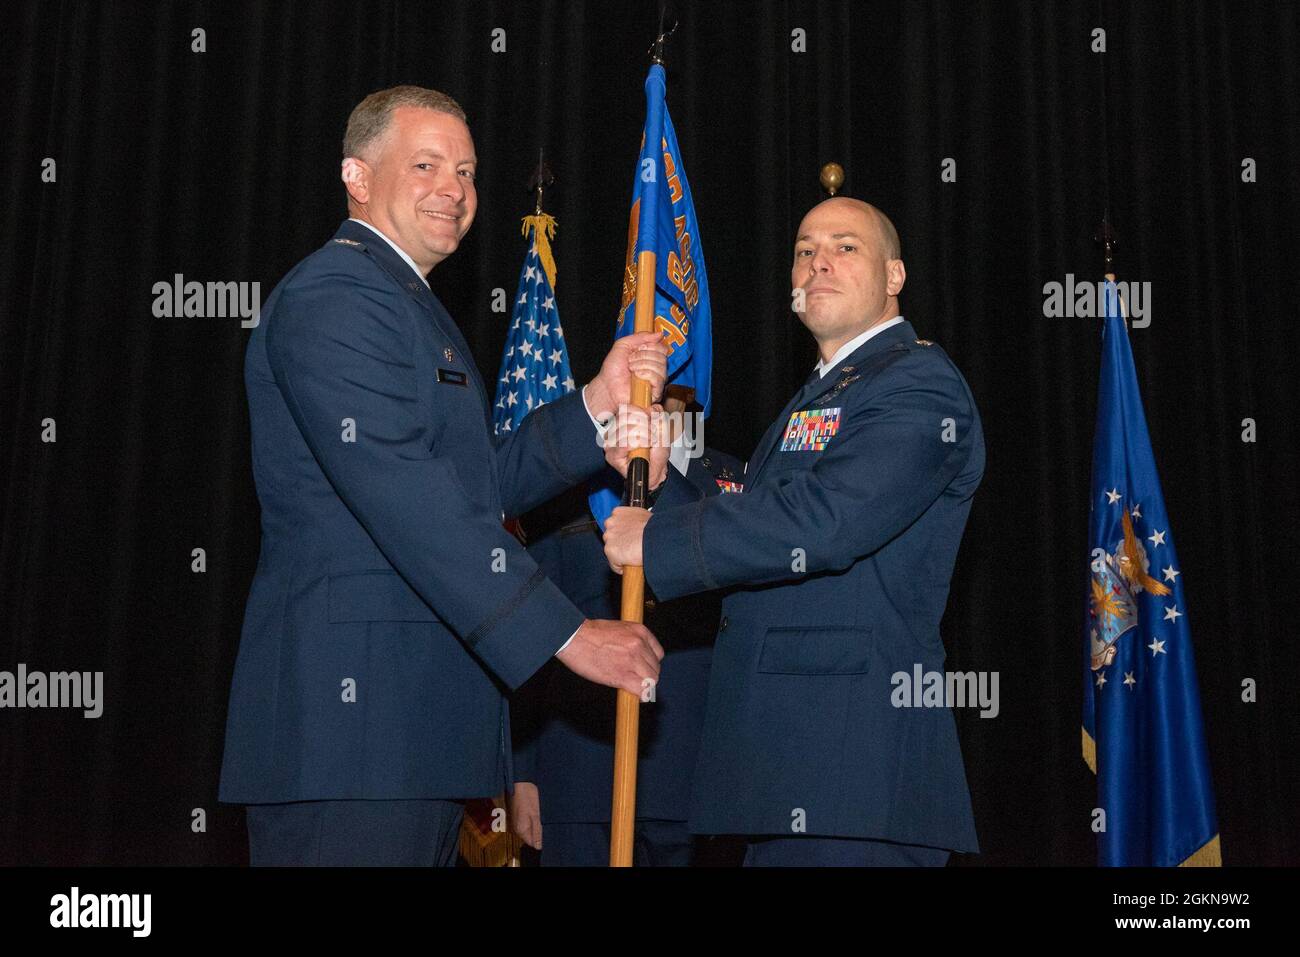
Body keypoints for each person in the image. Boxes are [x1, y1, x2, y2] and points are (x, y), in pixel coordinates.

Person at [218, 85, 668, 866]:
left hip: (411, 734)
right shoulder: (337, 292)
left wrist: (592, 404)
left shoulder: (410, 304)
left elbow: (470, 486)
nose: (454, 190)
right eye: (426, 164)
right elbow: (404, 493)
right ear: (357, 177)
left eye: (466, 171)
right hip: (349, 732)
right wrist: (564, 631)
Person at [602, 197, 984, 866]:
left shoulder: (920, 384)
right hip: (787, 772)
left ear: (895, 276)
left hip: (853, 776)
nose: (819, 261)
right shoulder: (817, 394)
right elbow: (762, 509)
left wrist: (656, 541)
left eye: (845, 246)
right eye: (805, 249)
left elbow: (827, 519)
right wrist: (661, 481)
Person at [508, 395, 745, 866]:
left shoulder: (735, 480)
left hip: (689, 765)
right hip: (576, 767)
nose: (658, 387)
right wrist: (524, 771)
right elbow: (531, 621)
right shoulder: (569, 484)